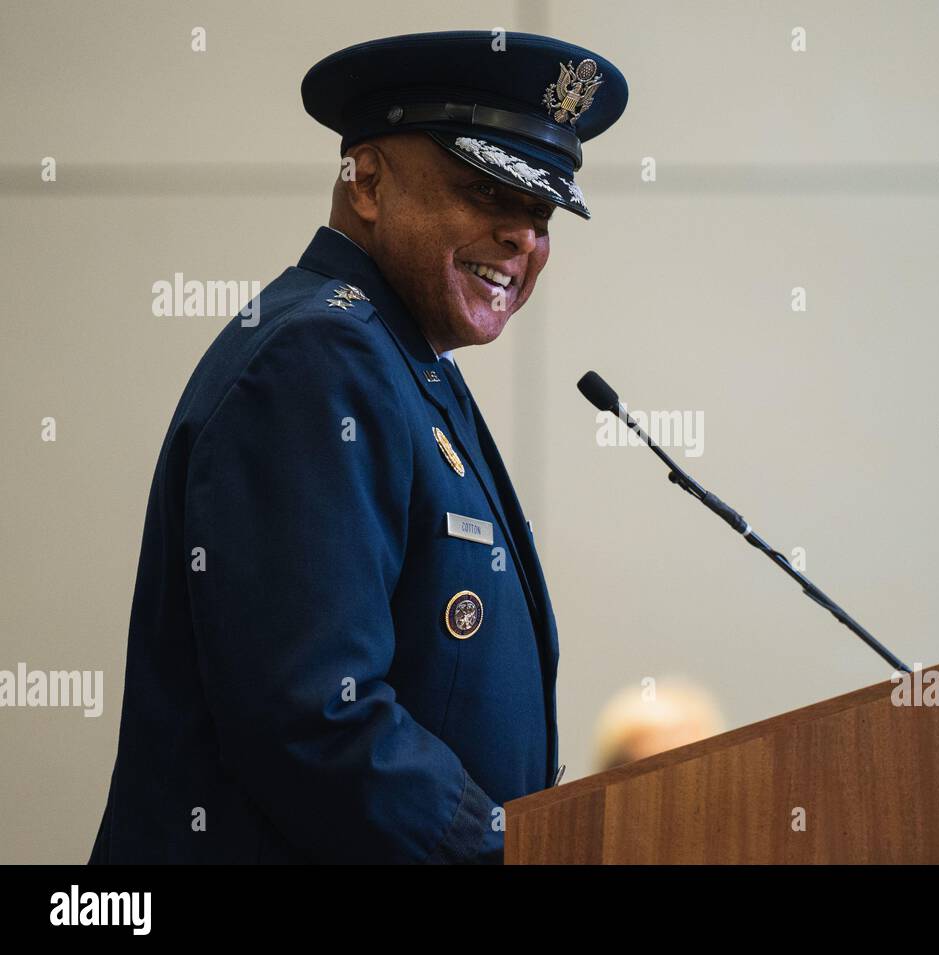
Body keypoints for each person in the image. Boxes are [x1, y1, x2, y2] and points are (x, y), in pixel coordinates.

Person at [88, 30, 628, 864]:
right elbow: (315, 715)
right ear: (367, 183)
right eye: (487, 191)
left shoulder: (400, 360)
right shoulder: (321, 359)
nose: (523, 238)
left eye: (542, 213)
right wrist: (510, 852)